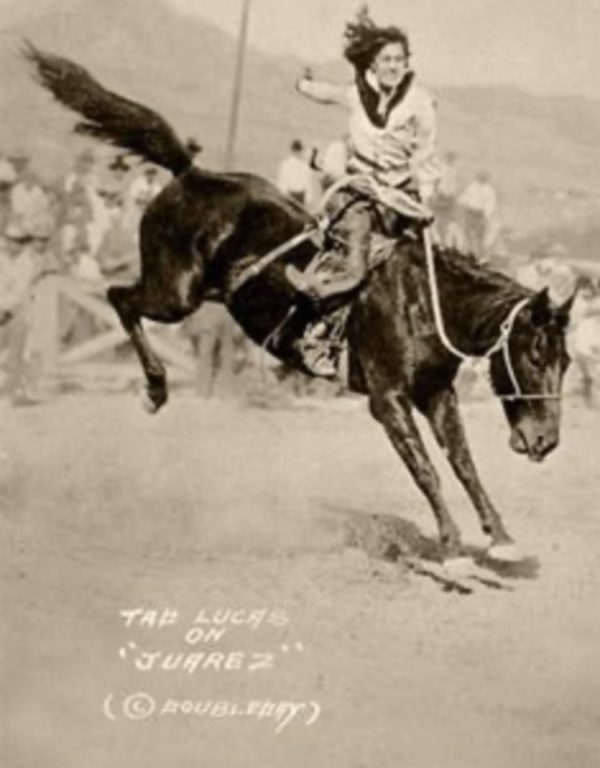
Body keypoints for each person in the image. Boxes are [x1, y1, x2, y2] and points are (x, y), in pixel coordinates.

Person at [286, 7, 439, 308]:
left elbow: (426, 155)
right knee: (356, 263)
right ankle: (317, 295)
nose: (393, 67)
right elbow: (327, 93)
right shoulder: (358, 94)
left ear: (407, 63)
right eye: (386, 60)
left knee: (416, 268)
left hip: (399, 197)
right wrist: (303, 84)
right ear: (373, 63)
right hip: (358, 191)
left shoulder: (420, 103)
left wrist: (426, 199)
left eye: (399, 60)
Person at [276, 139, 313, 206]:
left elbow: (307, 181)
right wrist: (284, 194)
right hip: (290, 194)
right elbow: (283, 181)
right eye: (297, 151)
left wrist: (308, 195)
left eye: (299, 151)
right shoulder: (287, 164)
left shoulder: (304, 165)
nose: (298, 153)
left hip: (300, 195)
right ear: (293, 151)